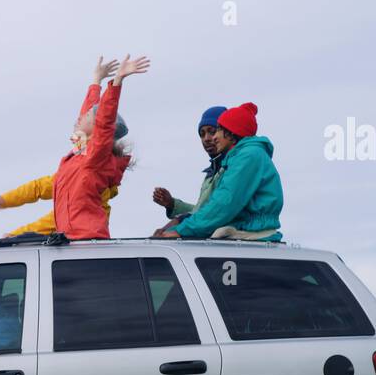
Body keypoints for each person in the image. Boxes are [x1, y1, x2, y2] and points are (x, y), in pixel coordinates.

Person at [52, 54, 150, 240]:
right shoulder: (81, 151)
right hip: (70, 239)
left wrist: (117, 82)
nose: (81, 117)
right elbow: (92, 112)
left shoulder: (94, 156)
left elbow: (104, 120)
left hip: (87, 240)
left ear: (96, 128)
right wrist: (96, 81)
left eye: (87, 116)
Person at [154, 102, 283, 241]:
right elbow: (211, 208)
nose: (213, 138)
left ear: (232, 132)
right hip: (242, 230)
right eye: (202, 134)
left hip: (253, 234)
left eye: (218, 130)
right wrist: (177, 217)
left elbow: (224, 203)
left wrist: (182, 230)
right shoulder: (238, 158)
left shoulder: (248, 157)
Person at [151, 105, 227, 228]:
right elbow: (201, 210)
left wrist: (179, 221)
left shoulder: (232, 167)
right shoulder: (212, 171)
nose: (206, 139)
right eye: (202, 134)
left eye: (212, 131)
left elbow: (218, 213)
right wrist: (172, 204)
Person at [0, 175, 118, 237]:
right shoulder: (86, 176)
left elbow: (59, 219)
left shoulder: (82, 176)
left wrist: (17, 236)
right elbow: (40, 187)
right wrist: (6, 199)